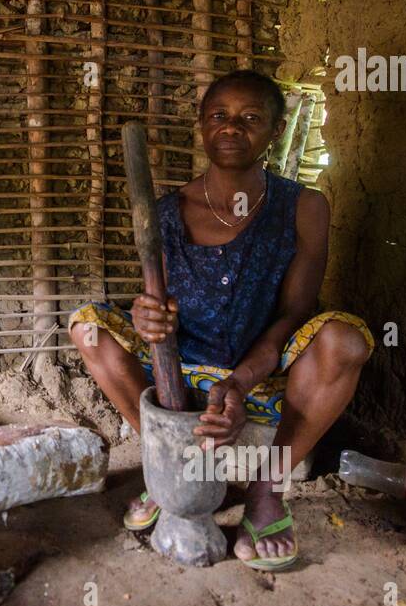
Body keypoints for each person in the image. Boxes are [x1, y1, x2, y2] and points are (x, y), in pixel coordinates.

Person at [69, 69, 373, 570]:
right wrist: (149, 320)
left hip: (262, 370)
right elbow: (157, 306)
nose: (232, 128)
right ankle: (165, 467)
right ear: (202, 126)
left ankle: (266, 493)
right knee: (89, 328)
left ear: (276, 131)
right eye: (219, 116)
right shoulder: (166, 211)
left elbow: (297, 313)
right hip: (180, 377)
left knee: (345, 340)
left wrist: (239, 382)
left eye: (251, 118)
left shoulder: (304, 207)